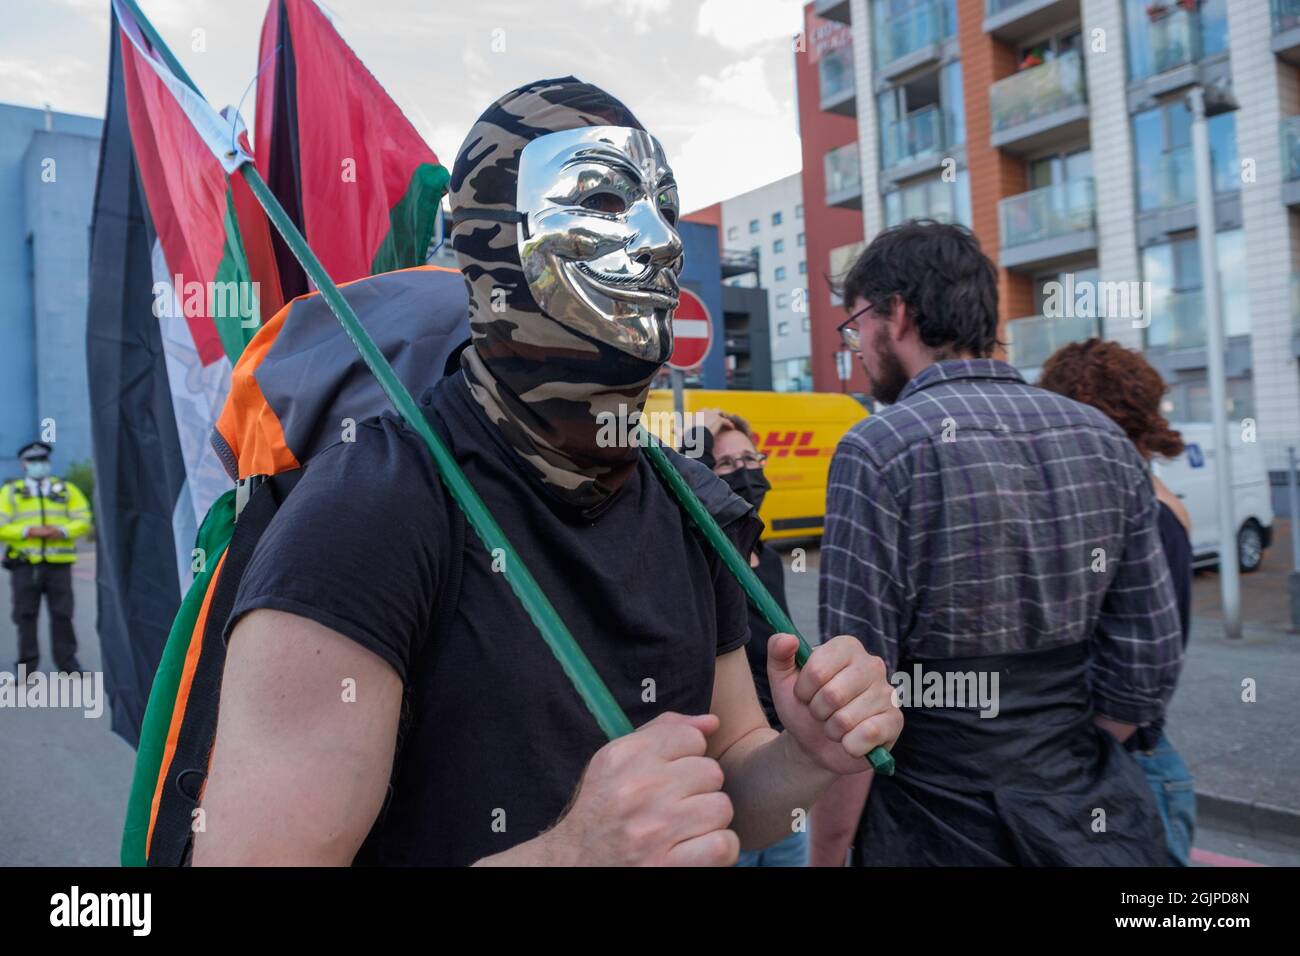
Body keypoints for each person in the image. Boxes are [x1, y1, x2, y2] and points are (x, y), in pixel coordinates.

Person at [193, 78, 901, 867]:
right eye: (602, 200)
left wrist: (801, 757)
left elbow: (725, 789)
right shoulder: (370, 508)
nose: (662, 242)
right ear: (496, 240)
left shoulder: (688, 503)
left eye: (663, 206)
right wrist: (572, 854)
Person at [811, 220, 1183, 867]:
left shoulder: (876, 451)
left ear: (896, 314)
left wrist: (826, 854)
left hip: (931, 824)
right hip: (1089, 816)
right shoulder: (1102, 438)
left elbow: (855, 706)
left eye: (857, 323)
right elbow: (1148, 655)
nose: (857, 347)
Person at [1037, 338, 1196, 866]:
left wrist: (1081, 759)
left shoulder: (1152, 513)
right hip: (1127, 763)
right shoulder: (1141, 502)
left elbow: (1144, 670)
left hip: (1131, 769)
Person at [684, 409, 807, 866]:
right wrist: (696, 438)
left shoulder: (769, 558)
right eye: (728, 465)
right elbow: (677, 497)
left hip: (779, 763)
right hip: (717, 778)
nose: (746, 474)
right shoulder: (702, 557)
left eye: (752, 460)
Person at [0, 442, 93, 677]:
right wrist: (27, 531)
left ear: (48, 463)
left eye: (42, 461)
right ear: (23, 465)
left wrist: (60, 531)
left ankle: (68, 664)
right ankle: (26, 667)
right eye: (32, 462)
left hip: (58, 564)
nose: (38, 465)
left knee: (62, 614)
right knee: (25, 615)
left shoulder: (65, 490)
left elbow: (83, 518)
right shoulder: (10, 492)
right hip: (24, 564)